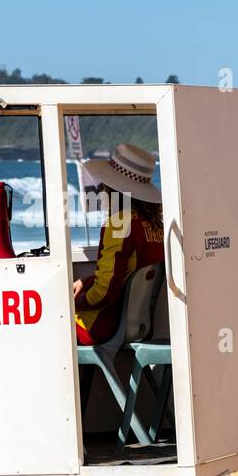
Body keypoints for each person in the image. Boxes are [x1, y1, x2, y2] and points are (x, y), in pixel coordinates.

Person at [73, 143, 164, 345]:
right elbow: (123, 275)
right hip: (137, 326)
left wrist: (72, 305)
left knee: (51, 321)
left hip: (104, 326)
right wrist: (86, 282)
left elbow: (104, 292)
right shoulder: (154, 225)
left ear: (112, 188)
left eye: (104, 185)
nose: (101, 189)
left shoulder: (119, 225)